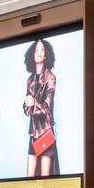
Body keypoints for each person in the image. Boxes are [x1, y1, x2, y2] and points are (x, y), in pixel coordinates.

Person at [23, 38, 60, 177]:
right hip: (33, 132)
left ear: (46, 55)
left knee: (45, 181)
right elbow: (27, 110)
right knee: (29, 180)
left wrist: (33, 103)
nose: (39, 52)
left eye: (42, 50)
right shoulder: (30, 80)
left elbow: (47, 108)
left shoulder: (51, 77)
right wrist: (27, 105)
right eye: (36, 50)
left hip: (45, 132)